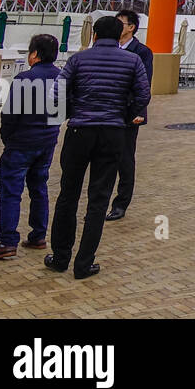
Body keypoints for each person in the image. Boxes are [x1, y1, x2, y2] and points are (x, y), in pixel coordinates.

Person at [46, 15, 150, 279]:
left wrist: (70, 111)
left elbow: (57, 92)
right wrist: (127, 114)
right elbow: (144, 94)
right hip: (113, 132)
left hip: (79, 131)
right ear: (119, 36)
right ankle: (84, 264)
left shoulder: (78, 59)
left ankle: (60, 257)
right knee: (98, 199)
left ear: (94, 34)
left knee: (68, 195)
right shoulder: (133, 60)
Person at [0, 34, 63, 261]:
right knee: (39, 188)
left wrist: (6, 137)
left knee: (11, 192)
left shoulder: (24, 79)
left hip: (20, 143)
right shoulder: (61, 77)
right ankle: (38, 235)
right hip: (47, 142)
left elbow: (10, 114)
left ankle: (7, 241)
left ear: (35, 54)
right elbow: (63, 111)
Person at [106, 9, 153, 222]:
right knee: (105, 157)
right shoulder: (107, 48)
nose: (117, 26)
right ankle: (102, 198)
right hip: (106, 111)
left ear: (131, 27)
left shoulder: (142, 52)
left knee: (125, 159)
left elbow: (143, 86)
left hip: (128, 113)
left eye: (120, 23)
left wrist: (137, 112)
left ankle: (121, 203)